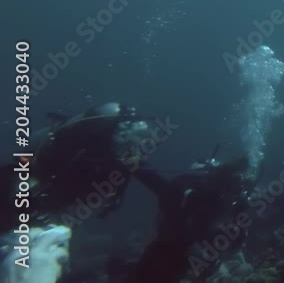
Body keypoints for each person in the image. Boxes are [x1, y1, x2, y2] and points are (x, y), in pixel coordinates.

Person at [0, 102, 154, 232]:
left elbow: (127, 172)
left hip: (49, 193)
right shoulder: (75, 146)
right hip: (34, 181)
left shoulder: (111, 156)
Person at [112, 153, 252, 283]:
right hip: (170, 245)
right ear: (224, 188)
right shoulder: (198, 195)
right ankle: (124, 271)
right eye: (234, 191)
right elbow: (161, 187)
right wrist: (138, 165)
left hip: (187, 250)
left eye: (239, 190)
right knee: (152, 272)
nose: (235, 197)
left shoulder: (235, 201)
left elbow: (235, 237)